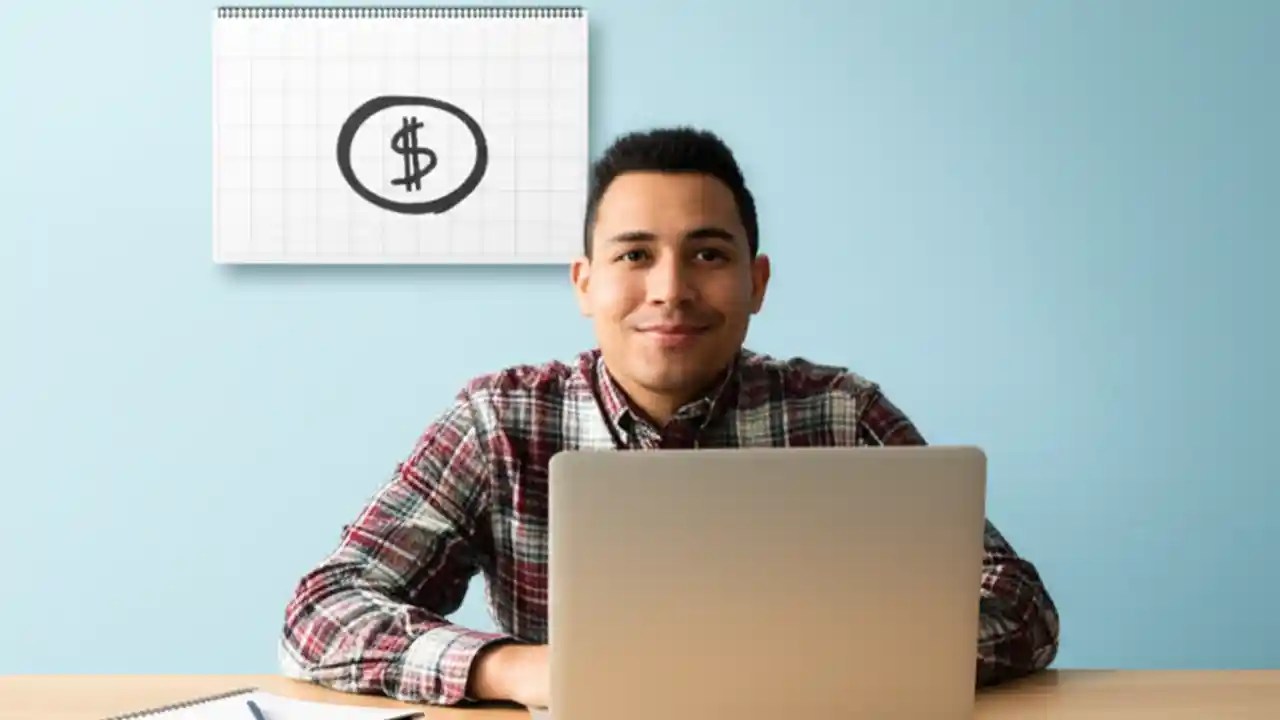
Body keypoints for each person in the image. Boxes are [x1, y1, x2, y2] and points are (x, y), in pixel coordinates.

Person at [277, 127, 1060, 708]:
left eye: (709, 255)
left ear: (756, 282)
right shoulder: (499, 420)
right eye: (634, 255)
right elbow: (323, 609)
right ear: (584, 283)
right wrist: (521, 668)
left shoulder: (840, 411)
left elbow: (1018, 604)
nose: (671, 289)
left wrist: (836, 660)